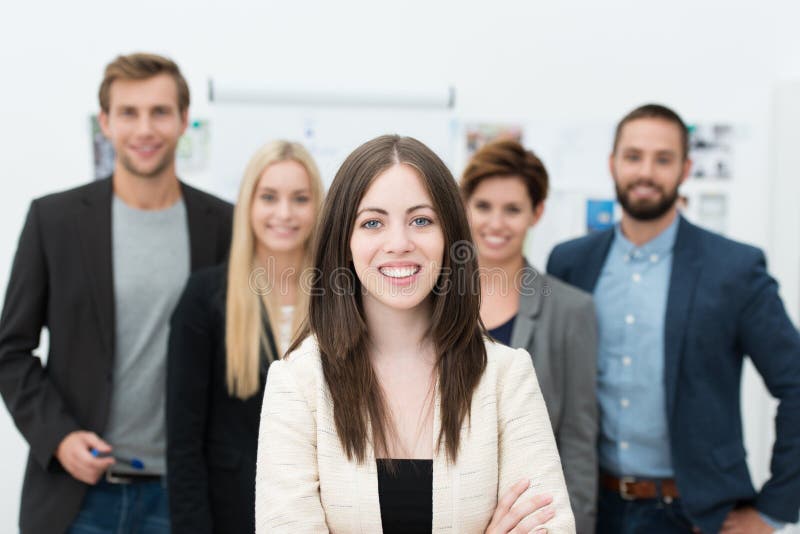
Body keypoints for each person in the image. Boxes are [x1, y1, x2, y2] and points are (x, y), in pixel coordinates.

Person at [255, 134, 575, 533]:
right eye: (373, 222)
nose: (399, 243)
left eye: (421, 220)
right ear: (343, 241)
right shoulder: (297, 383)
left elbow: (550, 526)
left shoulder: (506, 376)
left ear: (450, 237)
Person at [0, 53, 233, 534]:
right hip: (78, 497)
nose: (145, 129)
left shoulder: (224, 224)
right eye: (129, 113)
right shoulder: (54, 221)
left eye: (159, 112)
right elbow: (10, 351)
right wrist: (58, 437)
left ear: (184, 120)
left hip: (184, 496)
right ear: (105, 122)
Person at [547, 104, 800, 534]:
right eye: (633, 156)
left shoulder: (734, 269)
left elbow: (795, 383)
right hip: (589, 507)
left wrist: (772, 510)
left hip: (694, 515)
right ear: (612, 163)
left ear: (685, 168)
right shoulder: (571, 263)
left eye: (662, 159)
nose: (646, 172)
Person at [166, 140, 324, 534]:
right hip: (231, 513)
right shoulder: (205, 297)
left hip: (322, 513)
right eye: (269, 197)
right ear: (248, 204)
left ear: (318, 206)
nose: (284, 213)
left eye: (300, 198)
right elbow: (183, 442)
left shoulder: (339, 299)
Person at [460, 139, 598, 533]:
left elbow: (578, 441)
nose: (496, 223)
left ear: (536, 213)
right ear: (464, 206)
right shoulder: (429, 300)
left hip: (533, 518)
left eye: (512, 209)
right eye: (483, 206)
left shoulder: (571, 310)